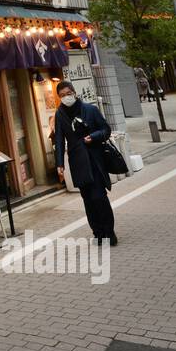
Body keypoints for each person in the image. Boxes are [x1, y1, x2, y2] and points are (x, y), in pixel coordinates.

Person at [54, 81, 117, 245]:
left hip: (94, 160)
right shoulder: (60, 115)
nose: (66, 97)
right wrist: (59, 163)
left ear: (74, 92)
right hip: (77, 162)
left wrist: (93, 137)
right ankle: (98, 233)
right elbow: (59, 140)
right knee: (88, 200)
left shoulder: (90, 110)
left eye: (68, 93)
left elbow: (106, 130)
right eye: (62, 96)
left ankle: (109, 232)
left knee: (99, 197)